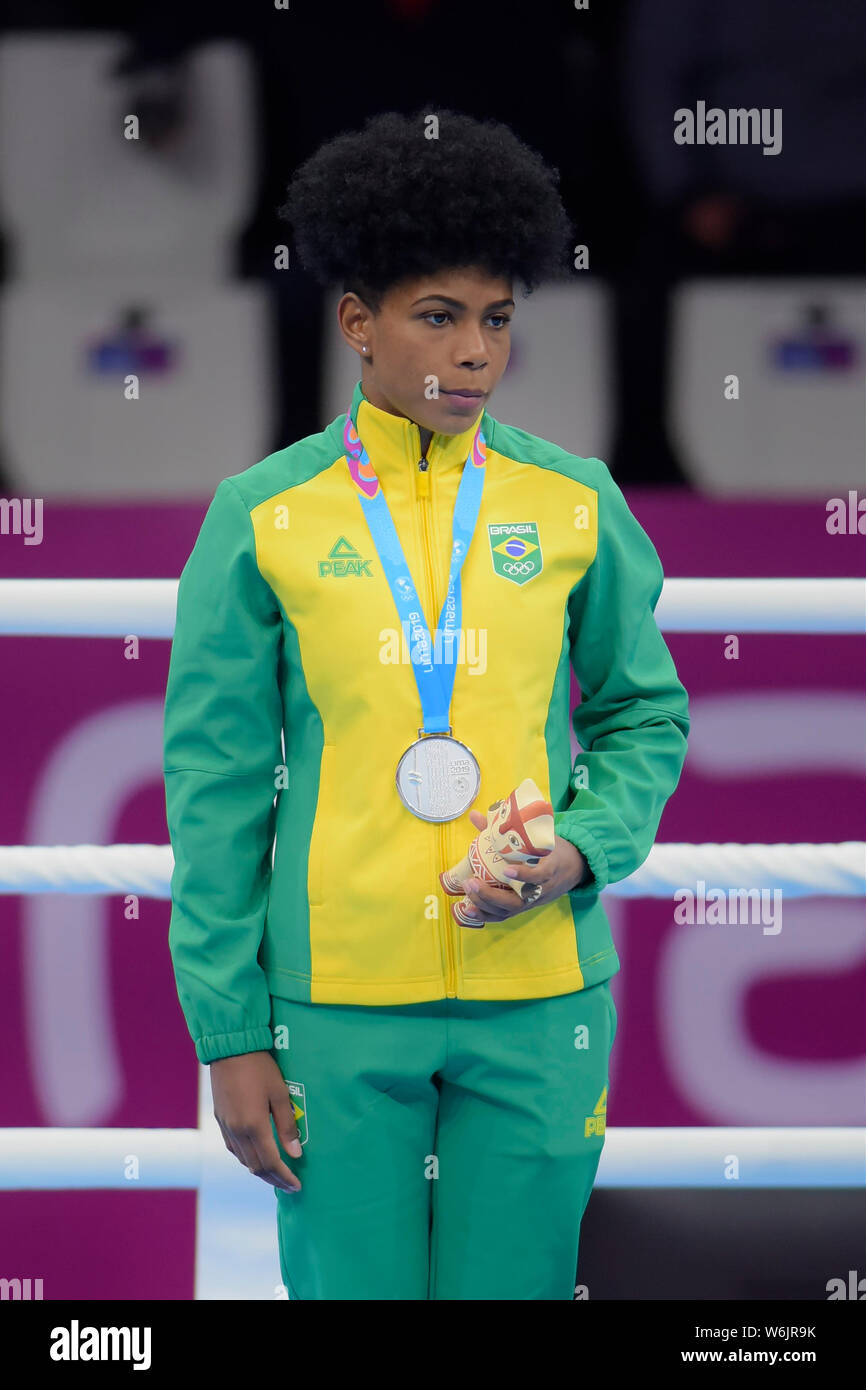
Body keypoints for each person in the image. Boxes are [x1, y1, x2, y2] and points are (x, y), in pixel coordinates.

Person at [163, 107, 690, 1301]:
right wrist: (229, 1029)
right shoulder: (262, 515)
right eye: (437, 317)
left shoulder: (572, 500)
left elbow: (640, 716)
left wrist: (580, 848)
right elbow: (215, 786)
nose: (474, 353)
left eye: (495, 319)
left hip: (536, 994)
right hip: (333, 1005)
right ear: (357, 323)